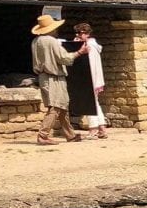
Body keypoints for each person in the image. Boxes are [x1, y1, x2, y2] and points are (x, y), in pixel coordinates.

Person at [31, 10, 87, 145]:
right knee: (55, 107)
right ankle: (43, 135)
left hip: (45, 76)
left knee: (62, 107)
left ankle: (70, 134)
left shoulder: (36, 41)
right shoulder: (52, 42)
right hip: (53, 77)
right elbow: (64, 58)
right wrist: (79, 52)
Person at [70, 22, 108, 138]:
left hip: (90, 77)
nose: (80, 35)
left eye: (82, 33)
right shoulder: (89, 44)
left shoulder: (88, 45)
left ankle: (93, 129)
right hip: (92, 77)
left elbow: (85, 62)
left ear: (87, 33)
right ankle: (102, 128)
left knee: (90, 103)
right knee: (95, 103)